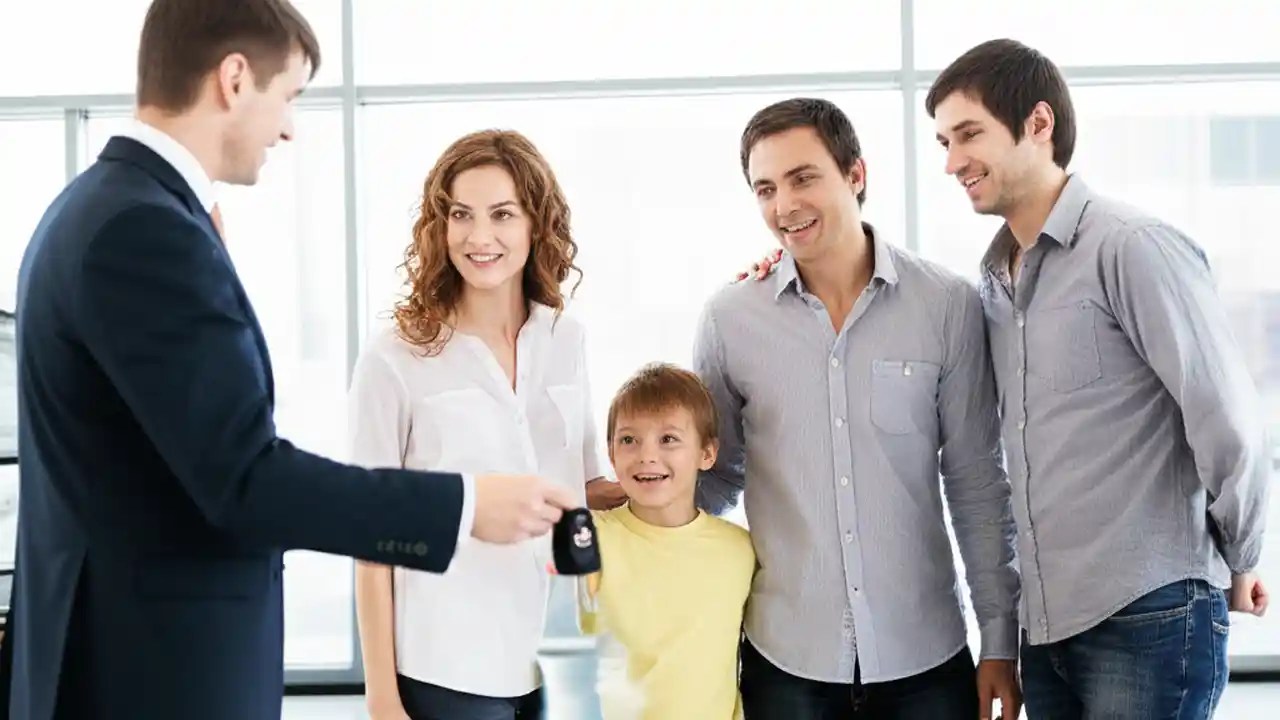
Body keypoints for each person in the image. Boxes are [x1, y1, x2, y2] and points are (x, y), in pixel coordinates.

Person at [7, 2, 575, 718]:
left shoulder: (104, 210)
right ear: (235, 79)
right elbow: (245, 480)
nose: (288, 127)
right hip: (154, 674)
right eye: (289, 96)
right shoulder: (145, 230)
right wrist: (463, 506)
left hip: (124, 655)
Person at [924, 39, 1270, 718]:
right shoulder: (995, 284)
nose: (951, 162)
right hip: (1049, 627)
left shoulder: (1131, 246)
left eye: (968, 134)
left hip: (1152, 612)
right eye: (942, 141)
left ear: (1039, 124)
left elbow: (1226, 416)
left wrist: (1242, 554)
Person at [698, 98, 1021, 720]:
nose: (783, 205)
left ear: (856, 174)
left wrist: (1000, 641)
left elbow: (978, 484)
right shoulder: (730, 320)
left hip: (925, 657)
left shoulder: (946, 306)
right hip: (786, 659)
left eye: (802, 178)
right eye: (765, 188)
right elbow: (713, 479)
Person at [350, 128, 626, 720]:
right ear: (438, 226)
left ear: (536, 224)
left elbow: (581, 492)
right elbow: (368, 537)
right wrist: (380, 696)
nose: (480, 237)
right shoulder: (395, 356)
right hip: (446, 666)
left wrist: (667, 473)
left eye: (502, 214)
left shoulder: (565, 338)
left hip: (557, 660)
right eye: (460, 215)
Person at [572, 362, 755, 720]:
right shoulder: (587, 539)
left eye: (668, 439)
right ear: (611, 454)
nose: (647, 455)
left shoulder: (740, 552)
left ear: (707, 453)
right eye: (629, 440)